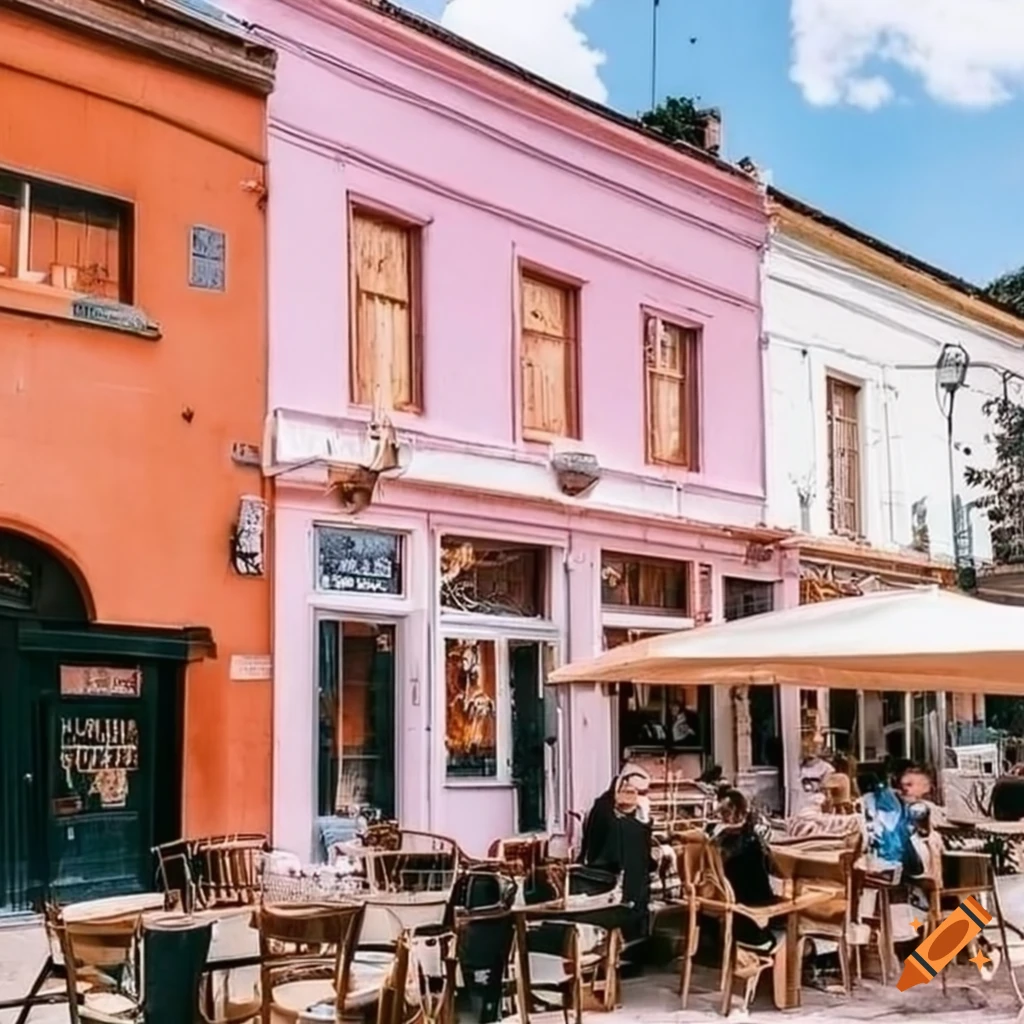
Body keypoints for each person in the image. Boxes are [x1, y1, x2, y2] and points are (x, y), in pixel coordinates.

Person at [578, 766, 653, 942]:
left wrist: (644, 821)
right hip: (605, 873)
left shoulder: (629, 810)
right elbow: (609, 838)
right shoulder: (603, 808)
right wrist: (641, 825)